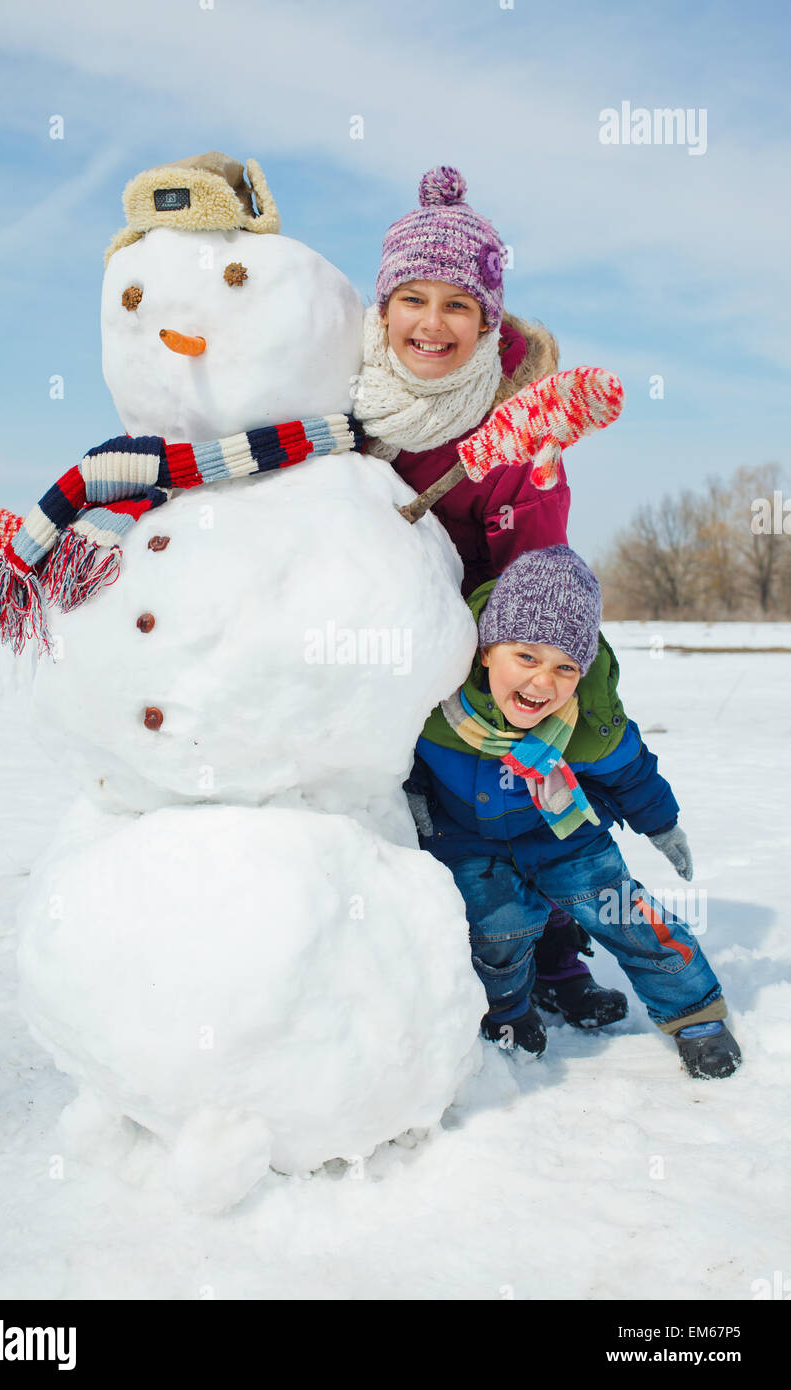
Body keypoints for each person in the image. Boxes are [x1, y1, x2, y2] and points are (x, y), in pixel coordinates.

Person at [354, 164, 626, 1028]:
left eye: (458, 305)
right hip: (385, 644)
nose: (431, 324)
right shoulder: (347, 405)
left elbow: (538, 570)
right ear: (383, 308)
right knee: (424, 810)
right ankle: (440, 951)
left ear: (488, 318)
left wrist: (507, 663)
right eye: (413, 299)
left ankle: (551, 947)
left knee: (525, 790)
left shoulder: (517, 427)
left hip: (494, 647)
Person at [407, 544, 742, 1080]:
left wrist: (662, 823)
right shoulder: (436, 710)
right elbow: (395, 758)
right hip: (468, 840)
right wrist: (416, 803)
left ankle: (695, 1013)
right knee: (496, 929)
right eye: (527, 657)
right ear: (488, 650)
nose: (543, 682)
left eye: (565, 667)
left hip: (566, 835)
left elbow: (632, 773)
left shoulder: (588, 724)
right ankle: (509, 1013)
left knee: (627, 916)